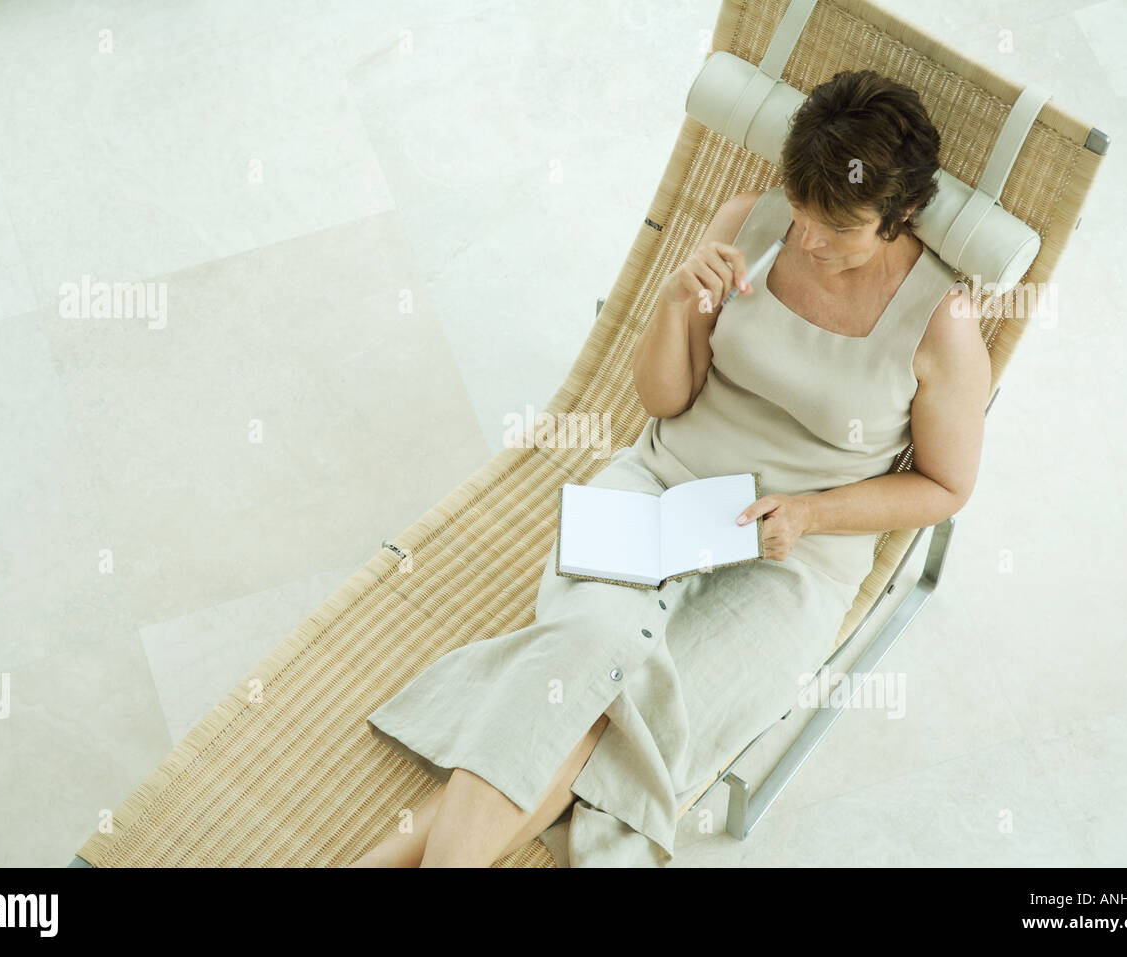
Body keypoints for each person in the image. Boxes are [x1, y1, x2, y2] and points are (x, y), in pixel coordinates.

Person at [350, 69, 990, 868]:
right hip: (660, 489)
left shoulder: (942, 324)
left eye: (839, 229)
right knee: (583, 662)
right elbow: (662, 398)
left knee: (631, 710)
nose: (809, 240)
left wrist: (812, 513)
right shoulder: (745, 225)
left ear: (902, 215)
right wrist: (675, 303)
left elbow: (946, 486)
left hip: (791, 558)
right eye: (799, 211)